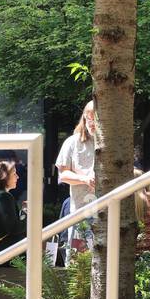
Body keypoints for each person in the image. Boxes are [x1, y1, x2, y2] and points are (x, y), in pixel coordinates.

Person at [56, 101, 97, 262]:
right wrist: (84, 179)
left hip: (105, 213)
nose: (92, 123)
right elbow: (63, 174)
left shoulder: (109, 144)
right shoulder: (72, 142)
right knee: (76, 260)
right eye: (89, 119)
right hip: (80, 211)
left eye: (96, 119)